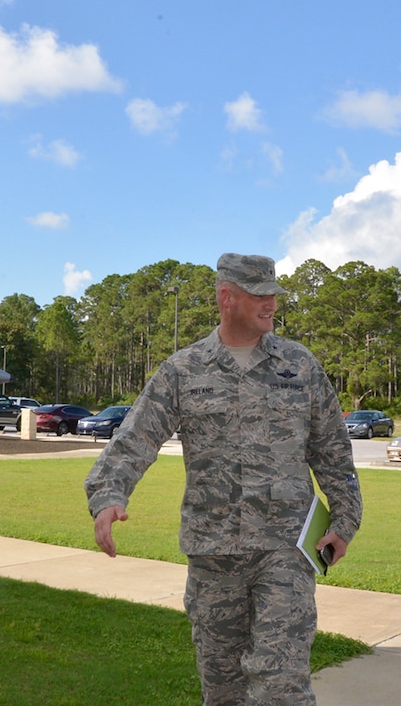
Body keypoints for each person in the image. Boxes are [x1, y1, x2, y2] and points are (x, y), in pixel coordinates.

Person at [85, 253, 363, 705]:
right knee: (222, 688)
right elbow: (136, 437)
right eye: (260, 294)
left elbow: (333, 450)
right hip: (213, 555)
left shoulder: (300, 366)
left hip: (285, 549)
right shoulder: (184, 369)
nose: (272, 303)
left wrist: (345, 521)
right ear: (226, 297)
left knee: (280, 683)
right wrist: (108, 495)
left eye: (274, 294)